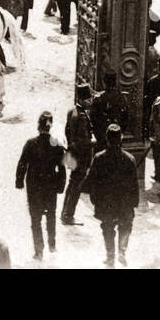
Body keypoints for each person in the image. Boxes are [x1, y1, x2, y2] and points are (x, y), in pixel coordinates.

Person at [85, 124, 139, 267]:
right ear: (120, 138)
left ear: (107, 139)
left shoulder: (98, 158)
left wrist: (94, 199)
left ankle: (110, 256)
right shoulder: (130, 159)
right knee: (126, 226)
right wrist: (134, 203)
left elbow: (90, 181)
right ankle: (122, 251)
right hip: (124, 203)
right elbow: (134, 184)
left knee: (107, 229)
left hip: (105, 203)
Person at [15, 109, 65, 261]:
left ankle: (39, 250)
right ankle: (52, 243)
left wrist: (19, 181)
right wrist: (61, 185)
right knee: (51, 215)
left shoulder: (31, 143)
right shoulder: (57, 144)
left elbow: (22, 163)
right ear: (50, 127)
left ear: (39, 126)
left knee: (35, 219)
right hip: (50, 186)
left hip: (34, 187)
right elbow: (63, 167)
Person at [62, 82, 94, 225]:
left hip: (72, 154)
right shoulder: (81, 117)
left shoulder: (72, 111)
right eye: (88, 99)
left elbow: (67, 131)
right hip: (81, 156)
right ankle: (69, 215)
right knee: (76, 186)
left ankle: (65, 213)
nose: (90, 101)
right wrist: (93, 142)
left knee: (72, 184)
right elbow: (84, 141)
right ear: (81, 100)